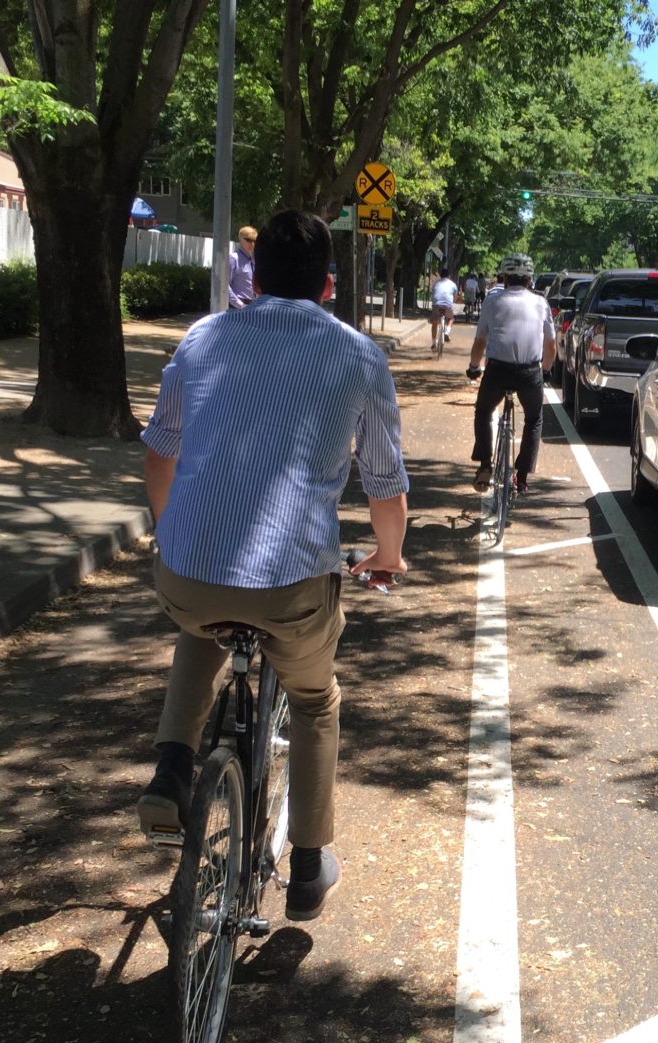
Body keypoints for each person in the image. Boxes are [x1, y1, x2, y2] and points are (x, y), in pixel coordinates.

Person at [138, 208, 409, 922]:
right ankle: (311, 862)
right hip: (293, 584)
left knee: (199, 624)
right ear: (327, 284)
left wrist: (175, 537)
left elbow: (158, 451)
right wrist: (388, 556)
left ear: (253, 277)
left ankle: (171, 767)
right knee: (317, 700)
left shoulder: (203, 339)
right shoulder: (357, 355)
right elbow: (386, 486)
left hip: (186, 571)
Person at [466, 252, 555, 494]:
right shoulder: (541, 303)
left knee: (484, 410)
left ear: (503, 277)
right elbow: (551, 346)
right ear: (529, 280)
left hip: (497, 371)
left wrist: (474, 368)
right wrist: (545, 371)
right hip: (529, 372)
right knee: (534, 419)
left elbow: (479, 342)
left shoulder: (493, 301)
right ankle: (523, 476)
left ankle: (485, 463)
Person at [227, 225, 257, 308]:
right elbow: (225, 285)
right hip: (238, 305)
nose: (252, 244)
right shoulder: (233, 258)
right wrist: (239, 304)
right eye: (248, 240)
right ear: (240, 240)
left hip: (253, 304)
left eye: (254, 241)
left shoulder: (253, 259)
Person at [430, 267, 458, 349]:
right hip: (447, 305)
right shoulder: (453, 284)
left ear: (440, 275)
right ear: (449, 276)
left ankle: (434, 343)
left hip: (436, 305)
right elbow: (455, 297)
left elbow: (433, 292)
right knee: (451, 319)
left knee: (434, 323)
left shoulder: (436, 283)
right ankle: (447, 332)